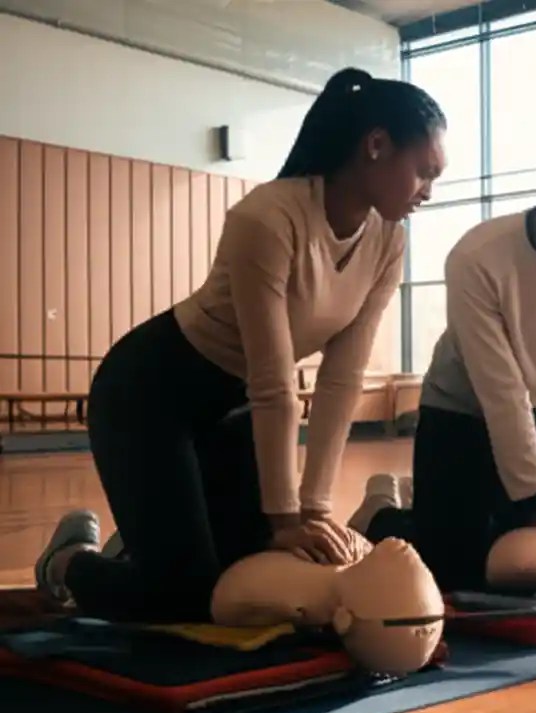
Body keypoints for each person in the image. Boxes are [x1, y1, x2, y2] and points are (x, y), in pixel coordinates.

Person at [33, 68, 449, 622]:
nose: (429, 190)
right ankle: (68, 562)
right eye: (424, 171)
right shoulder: (268, 216)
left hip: (231, 411)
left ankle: (146, 548)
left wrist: (314, 511)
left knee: (247, 580)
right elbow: (274, 379)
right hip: (149, 393)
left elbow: (341, 380)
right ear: (376, 145)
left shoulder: (388, 241)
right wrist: (284, 520)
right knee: (186, 598)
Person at [364, 155, 536, 592]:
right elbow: (500, 387)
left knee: (533, 567)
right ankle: (382, 513)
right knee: (454, 574)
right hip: (457, 412)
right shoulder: (477, 256)